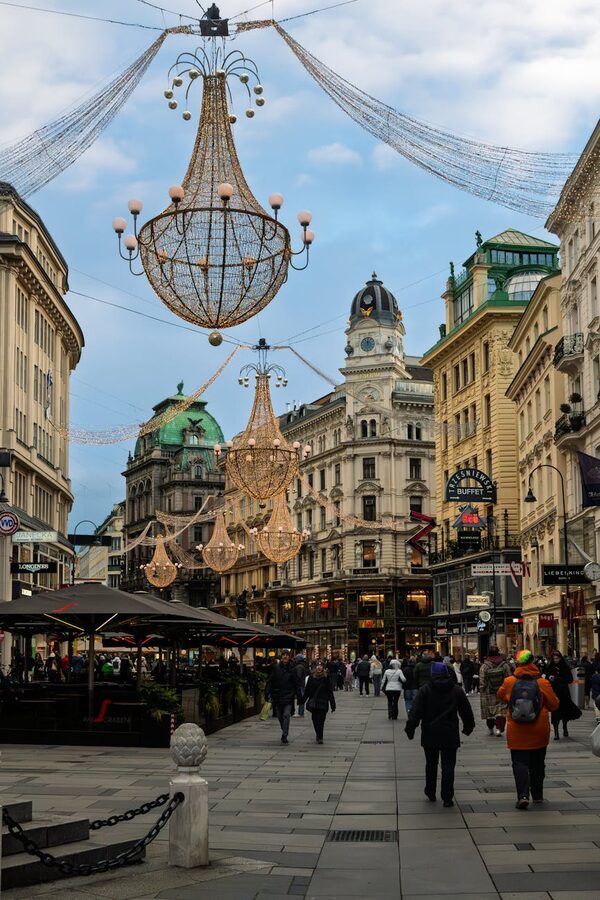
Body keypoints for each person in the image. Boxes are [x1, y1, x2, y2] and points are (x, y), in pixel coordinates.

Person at [405, 661, 475, 807]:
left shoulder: (425, 690)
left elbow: (416, 711)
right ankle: (447, 796)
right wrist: (468, 727)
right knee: (448, 766)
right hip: (450, 734)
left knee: (431, 764)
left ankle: (430, 791)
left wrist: (410, 728)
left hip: (430, 733)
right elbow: (466, 712)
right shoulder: (456, 690)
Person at [497, 649, 559, 809]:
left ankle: (523, 795)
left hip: (517, 731)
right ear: (533, 662)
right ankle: (537, 795)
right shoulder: (543, 683)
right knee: (538, 763)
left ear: (518, 663)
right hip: (539, 730)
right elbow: (554, 705)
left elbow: (499, 696)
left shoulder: (509, 682)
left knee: (519, 763)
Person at [266, 650, 302, 744]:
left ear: (289, 657)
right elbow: (271, 681)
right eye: (284, 655)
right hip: (277, 696)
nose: (285, 657)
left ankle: (285, 735)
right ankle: (284, 729)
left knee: (286, 715)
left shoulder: (293, 669)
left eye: (287, 655)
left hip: (288, 696)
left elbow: (296, 683)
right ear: (281, 657)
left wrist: (299, 697)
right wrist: (268, 692)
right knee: (279, 716)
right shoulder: (276, 668)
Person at [544, 650, 582, 739]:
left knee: (565, 711)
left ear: (560, 658)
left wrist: (556, 679)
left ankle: (565, 728)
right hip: (554, 692)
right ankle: (556, 732)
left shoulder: (565, 667)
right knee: (555, 712)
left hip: (564, 692)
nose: (555, 660)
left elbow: (569, 679)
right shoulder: (550, 667)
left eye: (557, 658)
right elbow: (546, 678)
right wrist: (549, 678)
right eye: (554, 659)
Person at [479, 646, 512, 736]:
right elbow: (509, 678)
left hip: (488, 693)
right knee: (500, 711)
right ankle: (499, 729)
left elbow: (482, 681)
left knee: (489, 712)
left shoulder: (485, 666)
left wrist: (482, 689)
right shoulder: (504, 665)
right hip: (501, 692)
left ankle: (490, 728)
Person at [304, 661, 336, 744]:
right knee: (314, 719)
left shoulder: (326, 678)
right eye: (317, 666)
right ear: (315, 668)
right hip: (314, 703)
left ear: (323, 668)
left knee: (321, 720)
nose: (319, 667)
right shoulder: (311, 677)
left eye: (321, 666)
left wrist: (333, 704)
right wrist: (302, 700)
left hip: (323, 702)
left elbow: (330, 692)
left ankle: (320, 736)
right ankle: (318, 734)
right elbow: (307, 690)